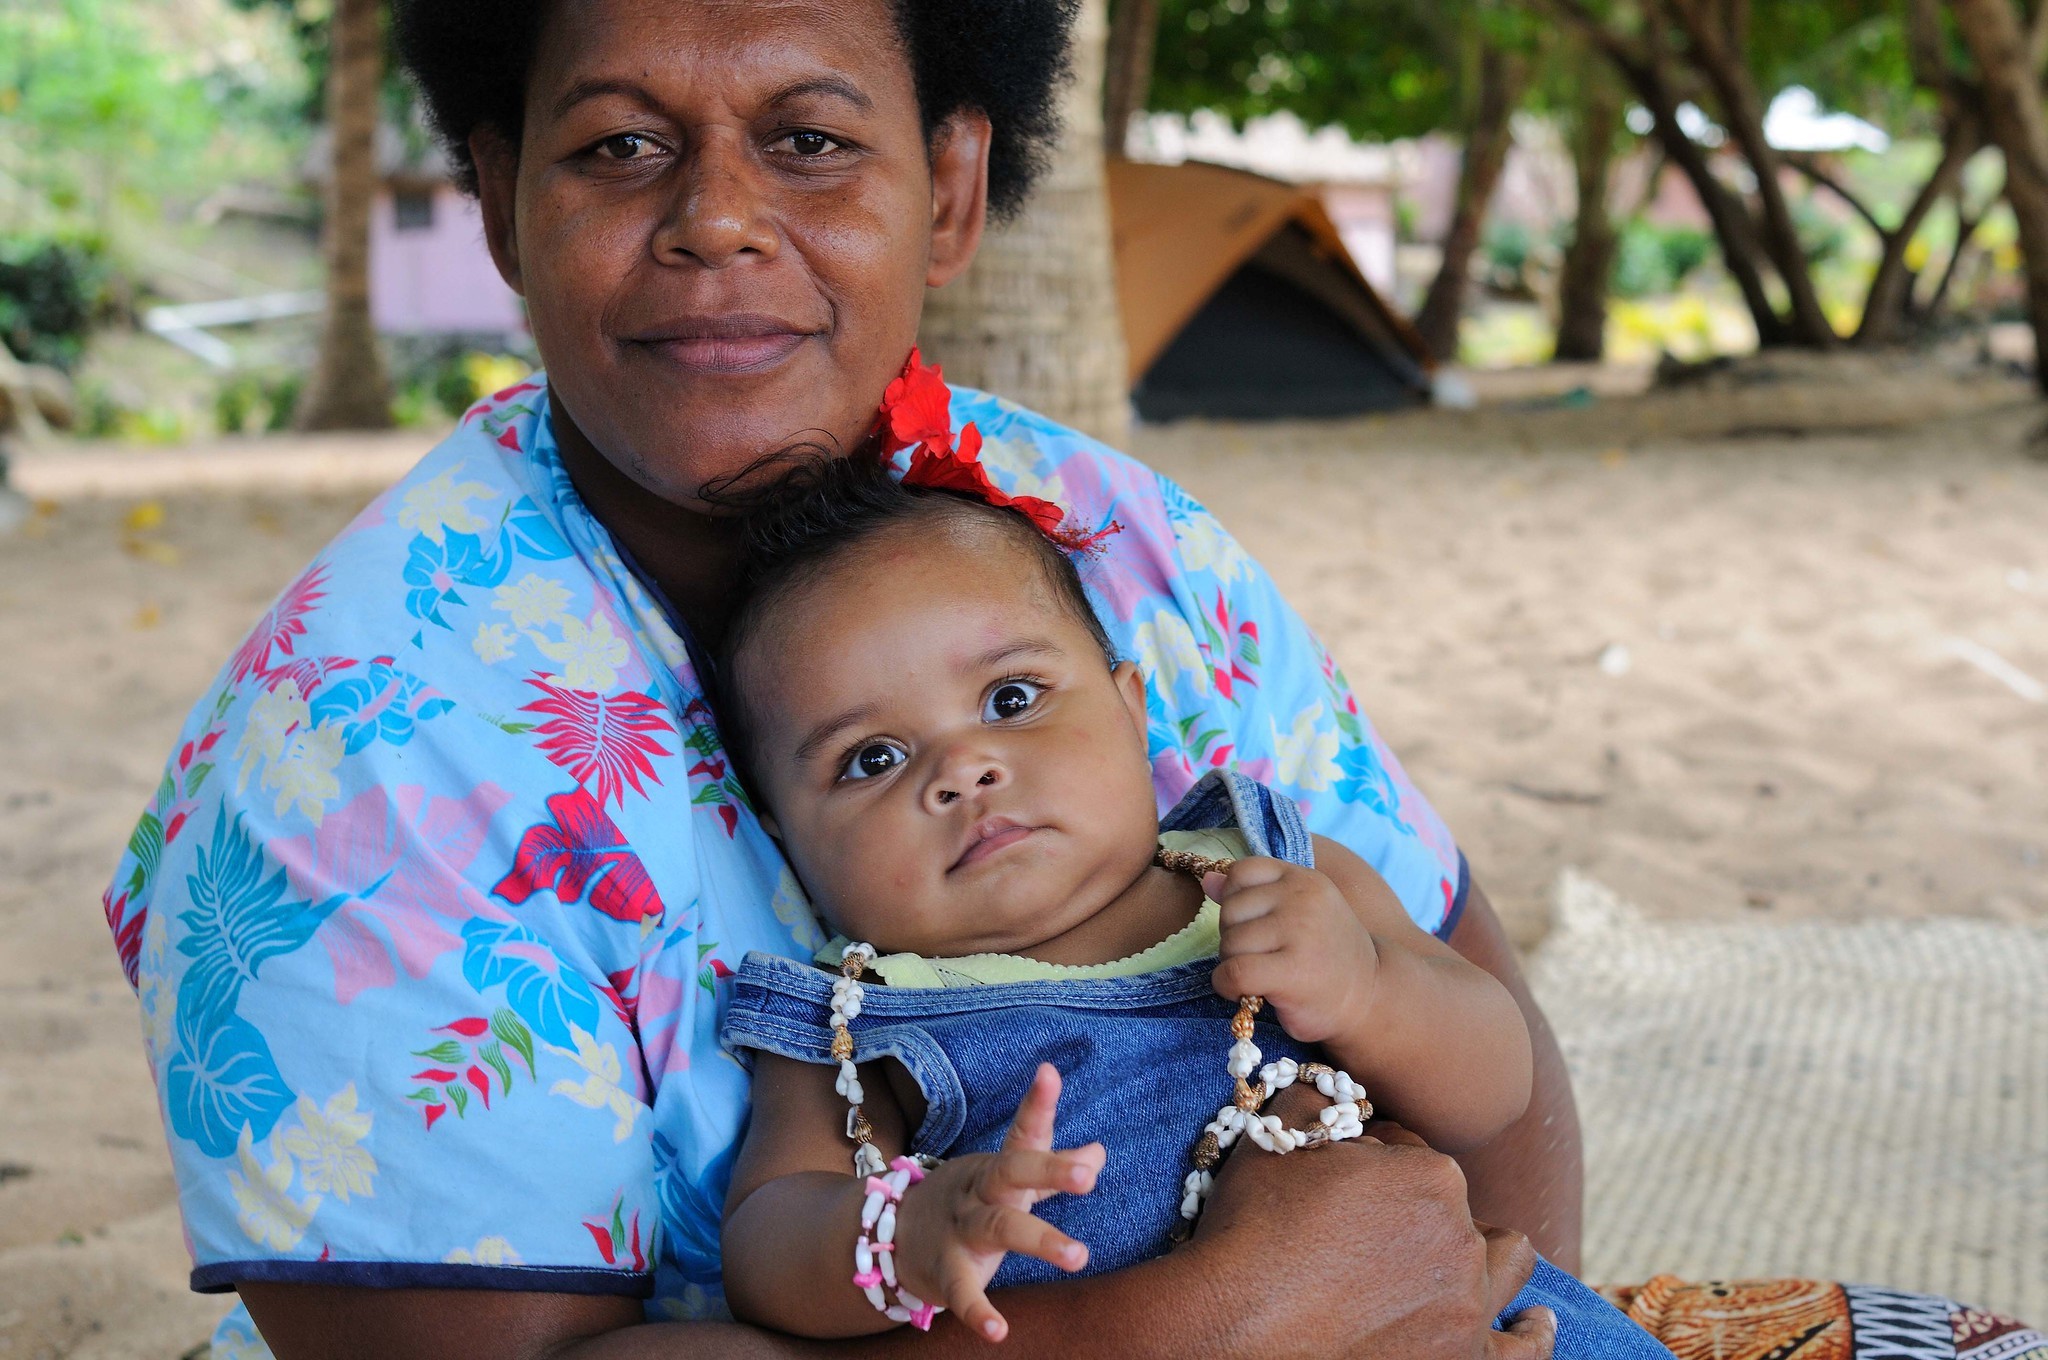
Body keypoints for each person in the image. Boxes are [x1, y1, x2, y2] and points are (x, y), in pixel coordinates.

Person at [98, 2, 2044, 1357]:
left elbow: (1475, 1041)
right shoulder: (361, 738)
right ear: (501, 190)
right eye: (617, 147)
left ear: (949, 188)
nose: (715, 216)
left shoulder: (1100, 534)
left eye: (808, 136)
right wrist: (1189, 1329)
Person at [700, 429, 1668, 1358]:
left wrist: (1367, 988)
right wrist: (907, 1234)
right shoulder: (855, 1016)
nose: (962, 769)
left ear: (1129, 710)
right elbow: (767, 1240)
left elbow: (1493, 1088)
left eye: (1010, 698)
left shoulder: (1276, 866)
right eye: (871, 757)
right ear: (787, 833)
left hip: (1448, 1320)